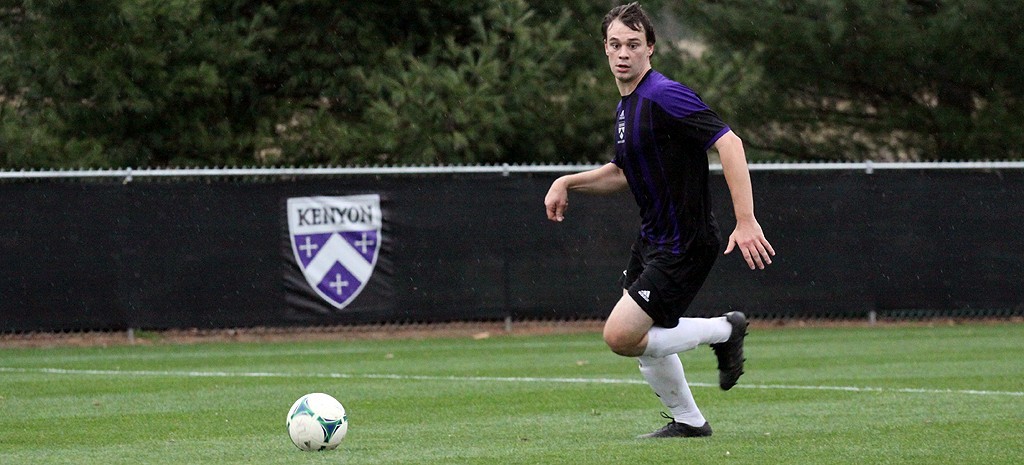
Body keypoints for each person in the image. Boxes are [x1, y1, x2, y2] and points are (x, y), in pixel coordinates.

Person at [543, 3, 775, 438]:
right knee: (643, 335)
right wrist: (567, 181)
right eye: (615, 45)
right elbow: (622, 173)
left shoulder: (663, 95)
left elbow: (730, 144)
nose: (623, 53)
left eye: (633, 44)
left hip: (685, 242)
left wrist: (746, 220)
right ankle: (689, 422)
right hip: (654, 239)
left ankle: (726, 330)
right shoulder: (627, 106)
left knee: (621, 336)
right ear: (606, 50)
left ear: (651, 48)